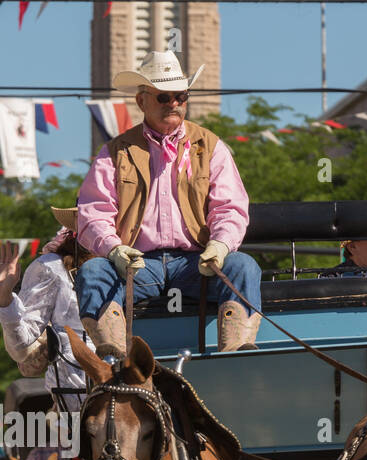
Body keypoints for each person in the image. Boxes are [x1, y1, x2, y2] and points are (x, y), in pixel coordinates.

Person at [75, 50, 262, 355]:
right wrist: (115, 249)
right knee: (94, 271)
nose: (174, 103)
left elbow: (230, 208)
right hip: (136, 264)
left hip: (196, 263)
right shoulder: (114, 151)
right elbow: (93, 214)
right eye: (164, 97)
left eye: (181, 95)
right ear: (141, 101)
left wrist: (220, 246)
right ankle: (116, 360)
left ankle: (235, 354)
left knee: (243, 266)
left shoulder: (211, 146)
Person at [0, 206, 93, 417]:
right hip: (76, 403)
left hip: (130, 395)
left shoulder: (134, 263)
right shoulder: (52, 267)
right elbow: (22, 347)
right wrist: (5, 298)